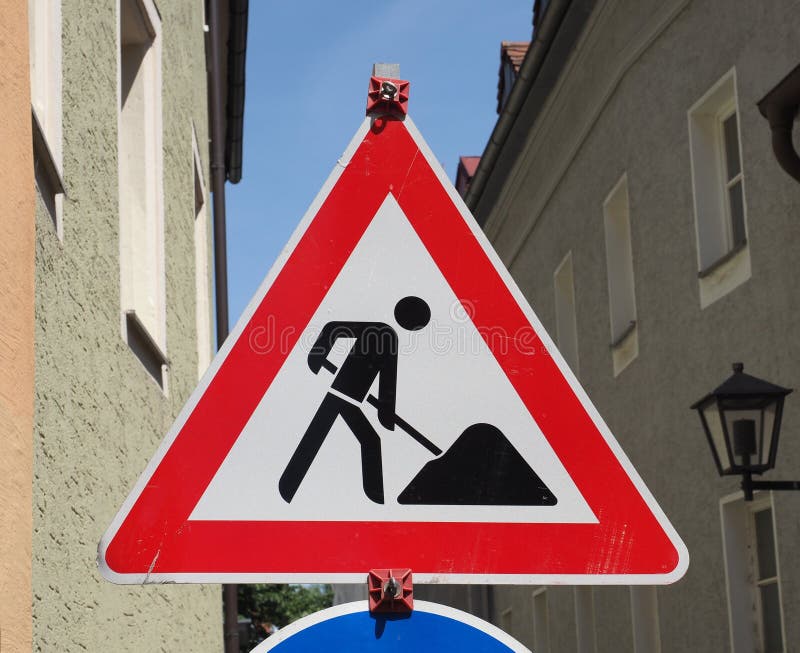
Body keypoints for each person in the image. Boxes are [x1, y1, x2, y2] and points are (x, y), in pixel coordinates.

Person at [278, 296, 431, 504]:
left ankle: (289, 486)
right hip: (339, 395)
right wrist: (316, 356)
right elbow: (333, 329)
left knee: (344, 437)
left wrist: (386, 412)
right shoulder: (381, 332)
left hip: (350, 400)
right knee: (350, 438)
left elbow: (387, 383)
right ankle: (288, 487)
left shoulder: (387, 336)